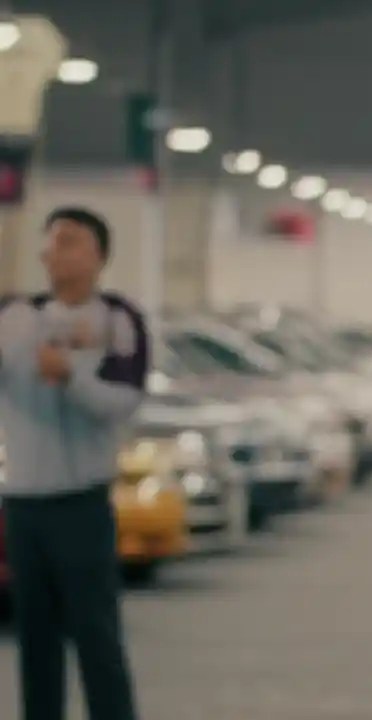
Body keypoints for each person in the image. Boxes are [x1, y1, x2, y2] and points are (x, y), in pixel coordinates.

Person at [0, 207, 149, 720]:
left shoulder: (119, 320)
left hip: (82, 505)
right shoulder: (15, 319)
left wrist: (71, 376)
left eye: (71, 241)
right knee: (36, 641)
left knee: (96, 636)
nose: (56, 251)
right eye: (52, 242)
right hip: (24, 503)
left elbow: (124, 400)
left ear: (99, 256)